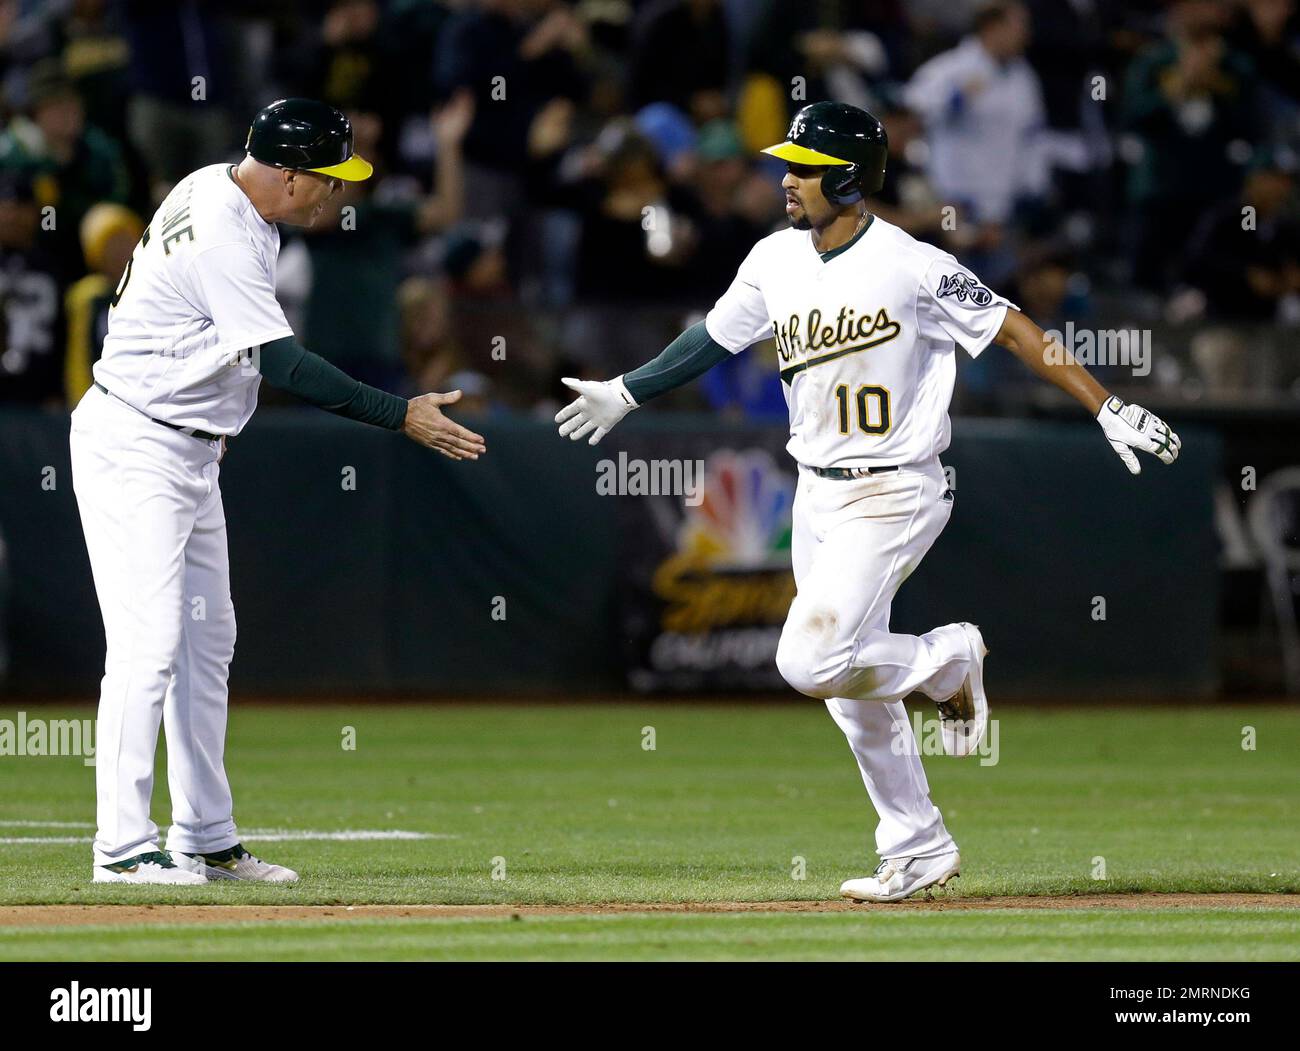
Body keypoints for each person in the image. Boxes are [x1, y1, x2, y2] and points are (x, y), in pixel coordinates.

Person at [555, 102, 1180, 903]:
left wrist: (1103, 404)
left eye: (803, 167)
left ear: (847, 176)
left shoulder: (910, 264)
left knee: (808, 660)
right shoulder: (774, 259)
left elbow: (1016, 329)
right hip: (818, 491)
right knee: (853, 693)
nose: (786, 179)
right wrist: (626, 392)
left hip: (896, 488)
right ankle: (917, 845)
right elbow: (712, 337)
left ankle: (948, 658)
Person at [69, 98, 486, 885]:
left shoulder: (221, 192)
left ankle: (203, 833)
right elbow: (283, 365)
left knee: (206, 643)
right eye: (329, 178)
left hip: (187, 448)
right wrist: (401, 415)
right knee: (149, 642)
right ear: (290, 176)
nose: (337, 193)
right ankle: (122, 847)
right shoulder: (226, 226)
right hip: (138, 441)